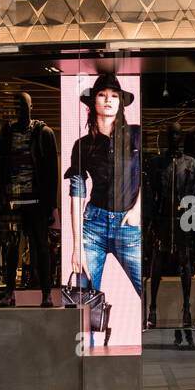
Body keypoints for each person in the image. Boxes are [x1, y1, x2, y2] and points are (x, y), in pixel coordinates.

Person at [66, 73, 143, 306]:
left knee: (147, 291)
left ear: (120, 103)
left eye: (114, 96)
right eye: (102, 95)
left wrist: (138, 209)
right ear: (93, 102)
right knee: (83, 299)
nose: (108, 100)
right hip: (93, 226)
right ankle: (85, 343)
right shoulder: (82, 145)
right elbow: (77, 196)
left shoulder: (136, 135)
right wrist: (77, 246)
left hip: (128, 226)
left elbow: (146, 178)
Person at [0, 91, 58, 307]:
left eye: (23, 105)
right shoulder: (4, 134)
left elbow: (52, 172)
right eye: (16, 105)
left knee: (41, 246)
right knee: (11, 246)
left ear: (31, 107)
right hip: (13, 199)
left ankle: (46, 294)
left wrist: (51, 206)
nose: (19, 109)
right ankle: (10, 292)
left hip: (36, 199)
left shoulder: (43, 133)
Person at [146, 122, 195, 348]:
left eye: (178, 133)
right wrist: (149, 220)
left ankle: (187, 306)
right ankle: (153, 307)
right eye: (171, 134)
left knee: (184, 261)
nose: (174, 137)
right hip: (162, 218)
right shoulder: (157, 163)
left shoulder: (189, 163)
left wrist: (193, 219)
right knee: (157, 261)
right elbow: (151, 192)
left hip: (182, 220)